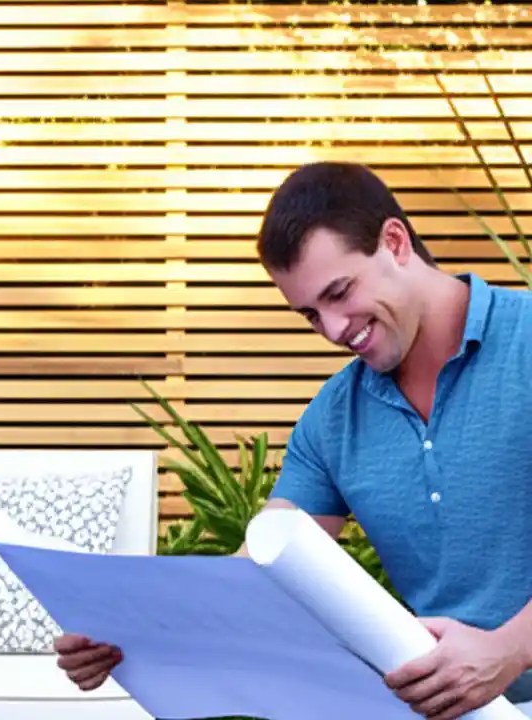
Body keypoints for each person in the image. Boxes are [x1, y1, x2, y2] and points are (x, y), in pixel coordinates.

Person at [53, 161, 532, 720]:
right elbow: (255, 577)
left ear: (395, 242)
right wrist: (129, 636)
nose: (333, 330)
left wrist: (509, 648)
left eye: (340, 292)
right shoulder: (335, 419)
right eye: (310, 314)